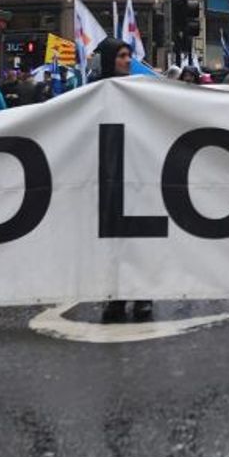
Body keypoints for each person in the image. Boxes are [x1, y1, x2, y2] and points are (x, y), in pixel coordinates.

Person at [92, 38, 154, 324]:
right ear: (108, 60)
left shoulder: (140, 90)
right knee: (111, 243)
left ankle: (142, 297)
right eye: (121, 56)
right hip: (106, 178)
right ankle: (114, 298)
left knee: (139, 240)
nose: (128, 60)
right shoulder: (92, 93)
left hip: (137, 174)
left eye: (129, 55)